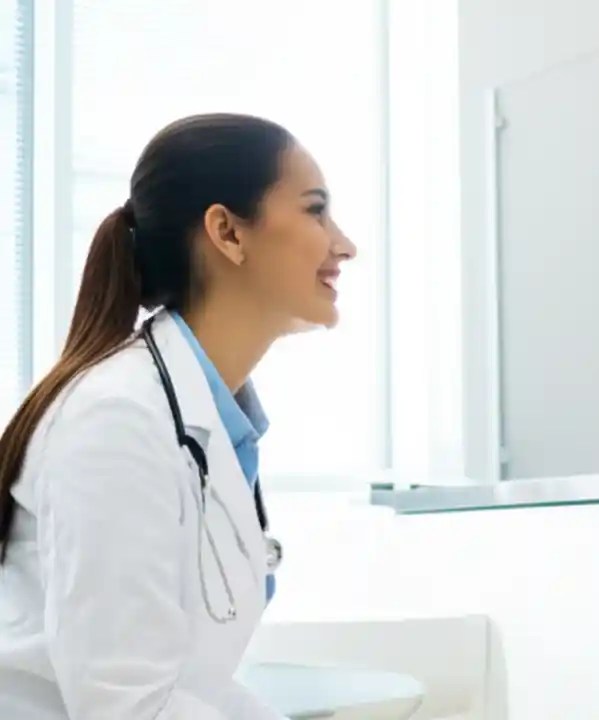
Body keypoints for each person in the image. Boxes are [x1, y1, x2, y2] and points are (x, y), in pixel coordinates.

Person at [0, 113, 356, 719]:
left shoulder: (208, 420)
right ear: (228, 232)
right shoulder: (116, 418)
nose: (344, 244)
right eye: (315, 210)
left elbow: (187, 685)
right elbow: (127, 706)